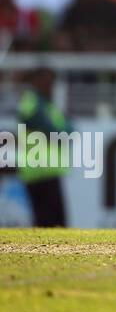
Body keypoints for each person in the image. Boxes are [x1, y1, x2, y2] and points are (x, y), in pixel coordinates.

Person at [16, 63, 72, 227]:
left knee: (55, 222)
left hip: (48, 170)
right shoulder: (32, 104)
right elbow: (55, 132)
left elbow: (69, 129)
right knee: (47, 222)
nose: (50, 86)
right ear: (36, 81)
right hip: (38, 170)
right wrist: (62, 131)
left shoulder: (48, 106)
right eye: (47, 81)